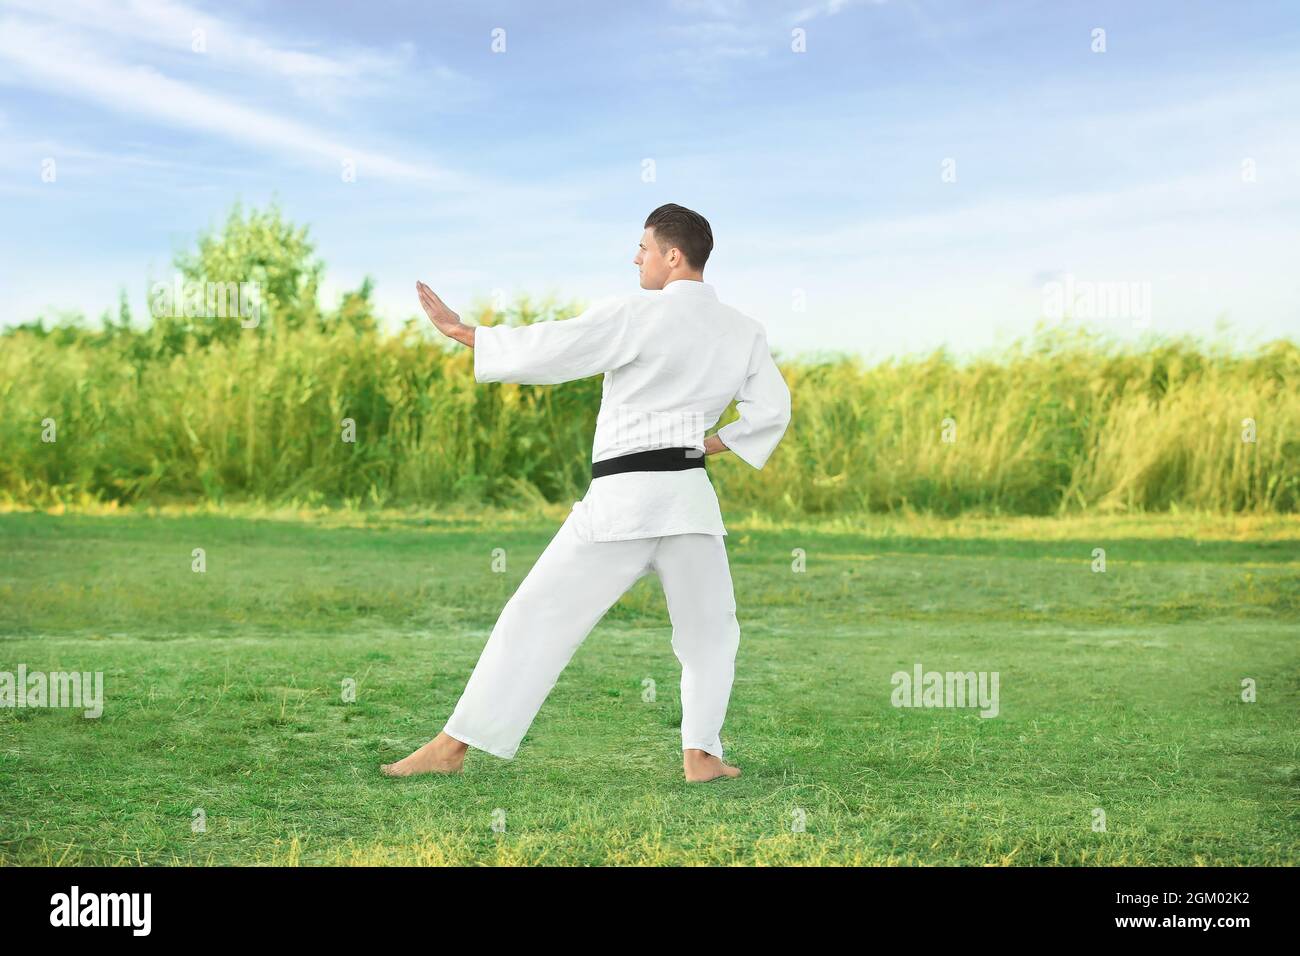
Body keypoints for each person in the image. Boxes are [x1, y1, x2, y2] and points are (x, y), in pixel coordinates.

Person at [381, 204, 791, 783]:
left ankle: (452, 747)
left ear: (673, 256)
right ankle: (701, 755)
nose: (636, 258)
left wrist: (464, 333)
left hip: (623, 502)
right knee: (711, 631)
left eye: (643, 248)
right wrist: (707, 445)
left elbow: (556, 347)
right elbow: (772, 411)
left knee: (536, 614)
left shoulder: (637, 314)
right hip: (689, 501)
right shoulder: (745, 331)